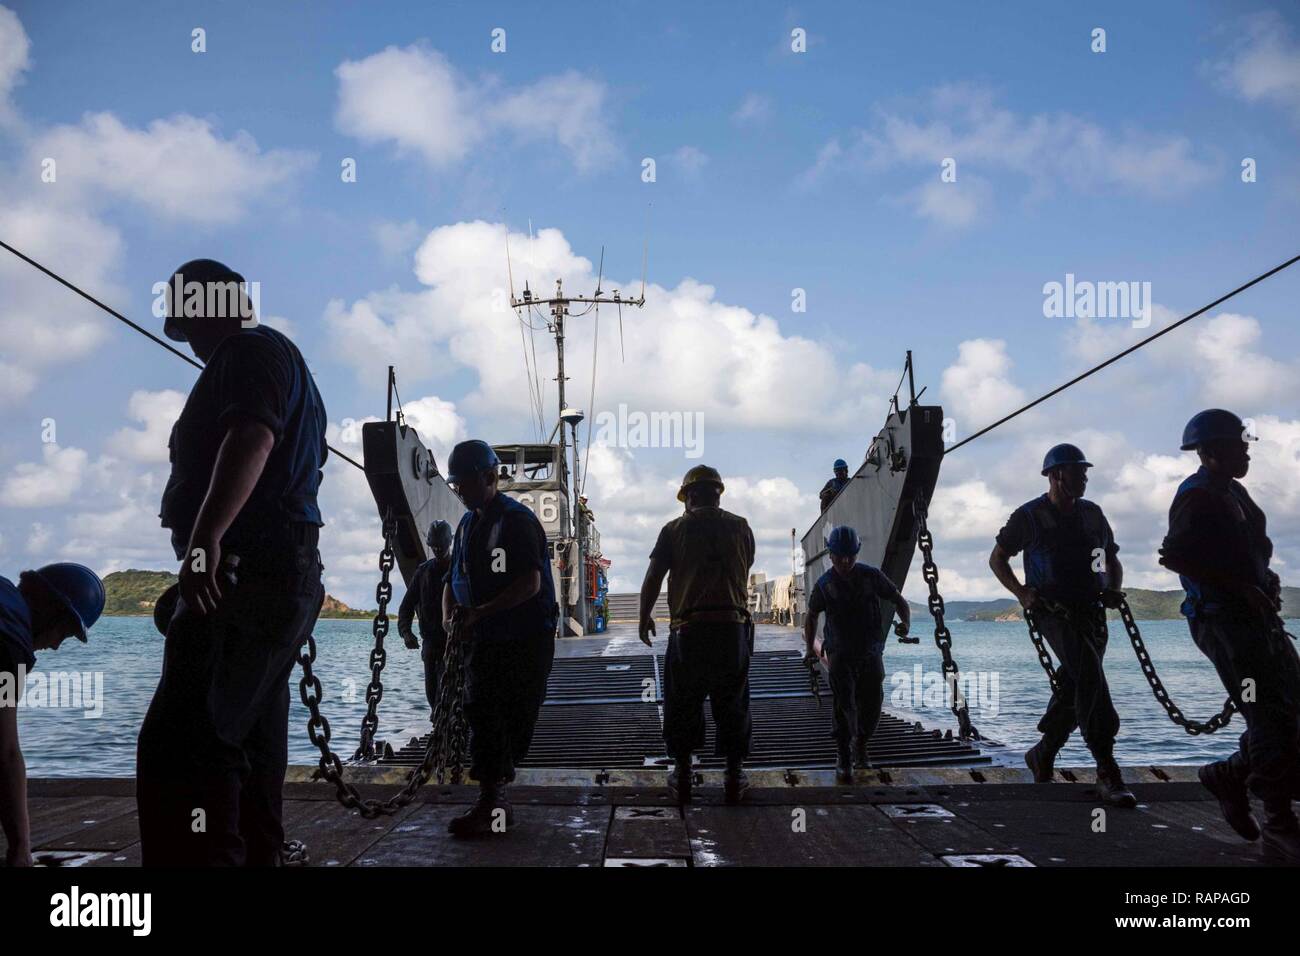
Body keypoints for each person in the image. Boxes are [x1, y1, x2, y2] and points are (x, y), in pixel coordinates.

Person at [136, 258, 328, 866]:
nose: (188, 340)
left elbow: (253, 436)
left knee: (185, 745)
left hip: (245, 576)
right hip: (273, 577)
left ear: (208, 307)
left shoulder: (248, 354)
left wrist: (206, 540)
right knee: (247, 741)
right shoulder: (273, 359)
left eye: (187, 322)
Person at [1159, 409, 1300, 864]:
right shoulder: (1197, 497)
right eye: (1239, 445)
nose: (1247, 451)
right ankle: (1279, 825)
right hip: (1223, 624)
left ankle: (1228, 775)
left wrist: (1266, 580)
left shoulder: (1232, 491)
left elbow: (1245, 551)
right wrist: (1241, 587)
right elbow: (1174, 556)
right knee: (1267, 717)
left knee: (1290, 709)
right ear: (1211, 451)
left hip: (1254, 620)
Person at [989, 443, 1136, 808]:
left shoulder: (1093, 515)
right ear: (1056, 475)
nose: (1085, 478)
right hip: (1053, 612)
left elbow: (1109, 559)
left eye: (1085, 472)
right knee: (1088, 676)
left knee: (1077, 680)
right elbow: (998, 559)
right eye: (1078, 472)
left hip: (1091, 612)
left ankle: (1044, 751)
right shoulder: (1029, 517)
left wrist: (1113, 589)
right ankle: (1107, 768)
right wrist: (1022, 594)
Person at [441, 440, 558, 837]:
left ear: (490, 477)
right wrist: (449, 617)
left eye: (466, 483)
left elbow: (529, 583)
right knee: (482, 712)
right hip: (484, 640)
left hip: (524, 640)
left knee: (516, 716)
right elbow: (451, 578)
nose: (460, 492)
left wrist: (480, 613)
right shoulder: (467, 524)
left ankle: (497, 794)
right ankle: (493, 803)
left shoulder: (517, 521)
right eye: (456, 485)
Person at [639, 464, 756, 805]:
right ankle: (734, 777)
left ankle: (683, 774)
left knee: (683, 702)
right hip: (732, 628)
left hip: (689, 630)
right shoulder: (741, 527)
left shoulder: (674, 530)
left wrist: (644, 617)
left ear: (688, 496)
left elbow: (653, 577)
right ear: (718, 494)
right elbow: (744, 566)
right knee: (733, 702)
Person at [0, 564, 105, 867]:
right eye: (65, 631)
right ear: (50, 608)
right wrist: (20, 849)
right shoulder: (9, 643)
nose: (57, 646)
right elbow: (5, 752)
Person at [803, 526, 910, 783]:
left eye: (850, 556)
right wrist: (809, 650)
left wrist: (905, 625)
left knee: (873, 703)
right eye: (840, 556)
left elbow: (899, 600)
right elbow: (812, 616)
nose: (845, 561)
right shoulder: (824, 585)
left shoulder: (872, 577)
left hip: (870, 652)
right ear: (831, 555)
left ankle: (861, 744)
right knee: (844, 705)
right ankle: (843, 755)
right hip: (840, 653)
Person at [398, 520, 454, 721]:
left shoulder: (460, 570)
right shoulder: (422, 572)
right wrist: (406, 633)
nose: (438, 550)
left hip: (455, 641)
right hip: (431, 642)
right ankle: (438, 720)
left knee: (455, 689)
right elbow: (406, 608)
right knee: (432, 691)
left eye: (442, 546)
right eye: (435, 547)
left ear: (449, 543)